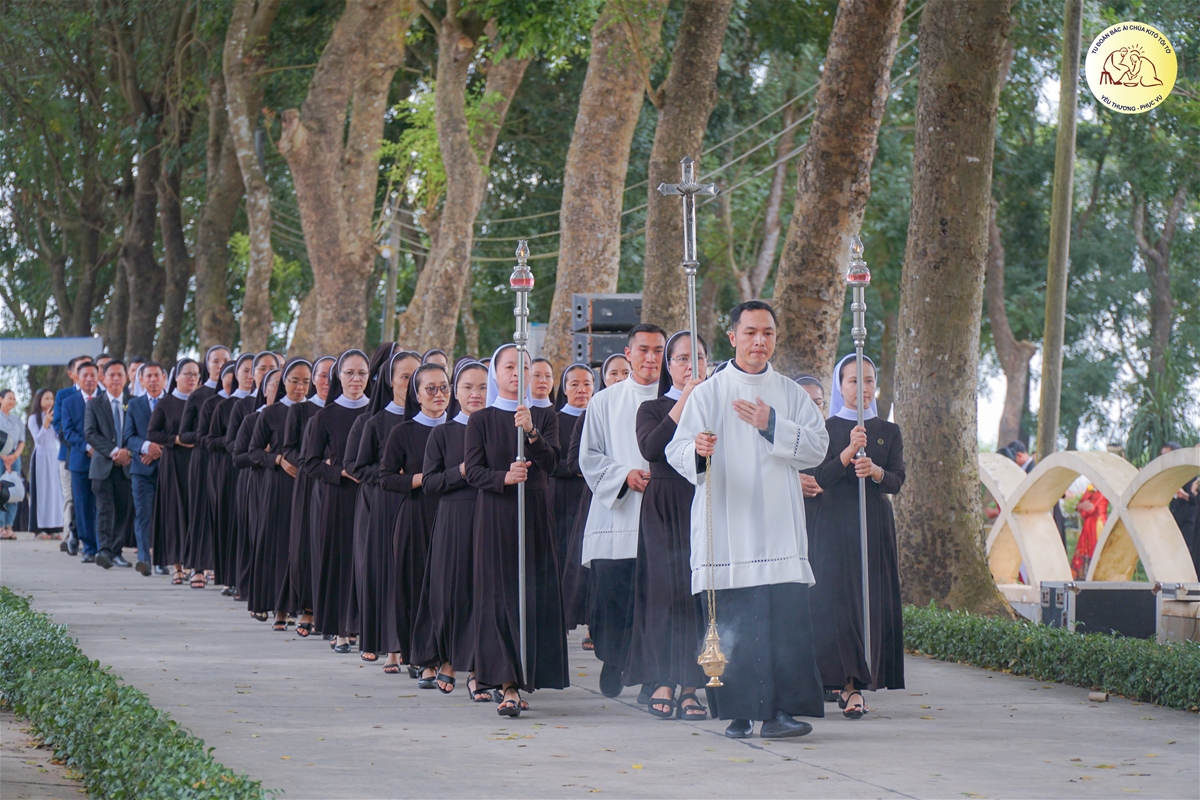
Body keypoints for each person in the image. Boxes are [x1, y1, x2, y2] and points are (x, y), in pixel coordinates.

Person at [666, 300, 829, 740]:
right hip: (728, 527)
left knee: (782, 626)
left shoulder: (792, 395)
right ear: (733, 336)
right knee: (733, 625)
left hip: (778, 528)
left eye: (768, 333)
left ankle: (780, 714)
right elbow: (675, 451)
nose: (760, 341)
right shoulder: (708, 393)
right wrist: (696, 451)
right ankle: (737, 713)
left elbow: (818, 448)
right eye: (751, 332)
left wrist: (772, 422)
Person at [465, 344, 566, 716]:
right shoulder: (481, 419)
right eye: (509, 367)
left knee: (531, 592)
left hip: (536, 512)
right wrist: (503, 477)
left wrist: (532, 432)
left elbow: (553, 462)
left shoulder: (544, 415)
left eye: (523, 367)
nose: (516, 374)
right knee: (500, 595)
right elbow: (473, 471)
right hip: (496, 513)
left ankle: (527, 675)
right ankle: (507, 685)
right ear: (496, 373)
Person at [809, 354, 907, 719]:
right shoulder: (826, 428)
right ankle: (841, 681)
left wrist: (878, 472)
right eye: (854, 381)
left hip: (874, 523)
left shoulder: (888, 431)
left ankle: (859, 686)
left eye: (868, 380)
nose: (862, 388)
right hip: (836, 522)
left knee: (869, 601)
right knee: (839, 602)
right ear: (840, 385)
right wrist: (849, 452)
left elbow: (897, 480)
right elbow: (819, 477)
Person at [626, 331, 710, 720]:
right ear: (669, 365)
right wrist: (684, 403)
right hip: (663, 504)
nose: (691, 366)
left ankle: (691, 686)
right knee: (664, 594)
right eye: (681, 359)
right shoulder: (653, 407)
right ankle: (662, 680)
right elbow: (651, 448)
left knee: (698, 596)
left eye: (699, 358)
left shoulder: (717, 406)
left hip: (705, 500)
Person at [580, 324, 666, 698]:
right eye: (643, 350)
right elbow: (589, 456)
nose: (651, 358)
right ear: (627, 354)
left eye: (659, 351)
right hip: (617, 514)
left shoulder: (679, 400)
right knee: (611, 602)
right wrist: (623, 475)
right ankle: (613, 658)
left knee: (655, 605)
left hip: (662, 516)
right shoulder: (605, 401)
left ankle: (651, 677)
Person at [409, 361, 491, 698]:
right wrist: (461, 471)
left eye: (483, 387)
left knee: (484, 593)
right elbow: (429, 483)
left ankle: (477, 669)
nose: (475, 394)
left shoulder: (499, 427)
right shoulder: (443, 433)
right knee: (449, 591)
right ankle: (445, 659)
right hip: (454, 518)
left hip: (492, 515)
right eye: (468, 387)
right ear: (455, 392)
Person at [380, 363, 450, 683]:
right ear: (416, 394)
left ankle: (449, 655)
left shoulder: (464, 427)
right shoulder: (403, 432)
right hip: (416, 515)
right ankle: (421, 657)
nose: (439, 394)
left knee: (448, 589)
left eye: (444, 387)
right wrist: (424, 479)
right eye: (430, 388)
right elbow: (385, 478)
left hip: (455, 516)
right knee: (415, 587)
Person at [352, 350, 419, 666]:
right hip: (385, 505)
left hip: (421, 505)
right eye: (404, 376)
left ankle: (416, 647)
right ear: (390, 381)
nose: (411, 383)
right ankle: (391, 647)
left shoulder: (433, 419)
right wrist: (389, 474)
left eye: (415, 376)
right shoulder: (376, 422)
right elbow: (359, 467)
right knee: (388, 575)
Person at [302, 350, 372, 653]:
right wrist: (340, 471)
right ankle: (342, 629)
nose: (356, 379)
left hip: (371, 496)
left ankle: (367, 626)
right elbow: (310, 463)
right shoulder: (324, 417)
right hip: (338, 497)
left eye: (362, 373)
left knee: (368, 562)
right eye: (349, 373)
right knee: (342, 561)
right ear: (338, 376)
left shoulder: (377, 414)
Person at [280, 356, 334, 635]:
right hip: (310, 484)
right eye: (322, 375)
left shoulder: (350, 410)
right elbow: (288, 448)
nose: (326, 381)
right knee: (308, 546)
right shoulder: (301, 410)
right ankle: (309, 608)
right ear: (314, 379)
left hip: (339, 486)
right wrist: (315, 458)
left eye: (331, 375)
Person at [248, 364, 305, 628]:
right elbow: (253, 451)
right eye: (294, 381)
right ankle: (277, 607)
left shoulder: (314, 411)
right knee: (278, 545)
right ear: (284, 382)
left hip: (306, 487)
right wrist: (278, 459)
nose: (300, 387)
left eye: (306, 381)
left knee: (299, 548)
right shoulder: (270, 413)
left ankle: (297, 606)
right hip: (278, 486)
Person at [226, 352, 281, 595]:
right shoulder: (249, 414)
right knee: (251, 532)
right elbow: (236, 452)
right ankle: (247, 584)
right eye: (274, 384)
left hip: (281, 482)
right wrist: (260, 453)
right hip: (253, 479)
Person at [181, 345, 232, 584]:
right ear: (207, 365)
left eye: (225, 360)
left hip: (229, 463)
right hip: (203, 460)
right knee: (200, 512)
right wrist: (214, 439)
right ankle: (198, 567)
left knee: (224, 513)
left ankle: (218, 564)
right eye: (215, 361)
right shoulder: (199, 395)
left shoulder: (238, 394)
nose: (220, 365)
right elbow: (186, 433)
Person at [149, 359, 200, 582]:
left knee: (195, 513)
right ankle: (178, 566)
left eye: (195, 374)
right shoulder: (166, 403)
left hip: (198, 464)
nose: (191, 378)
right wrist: (176, 439)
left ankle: (197, 565)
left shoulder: (203, 402)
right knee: (174, 514)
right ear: (175, 377)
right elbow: (153, 433)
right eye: (187, 374)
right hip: (173, 465)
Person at [84, 360, 136, 569]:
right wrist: (115, 452)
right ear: (102, 379)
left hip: (127, 466)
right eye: (111, 375)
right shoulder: (94, 404)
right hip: (102, 466)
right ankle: (103, 550)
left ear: (126, 378)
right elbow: (90, 433)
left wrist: (128, 452)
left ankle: (116, 551)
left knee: (123, 510)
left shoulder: (134, 402)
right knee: (104, 509)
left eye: (119, 375)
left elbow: (141, 432)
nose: (115, 379)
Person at [125, 361, 166, 573]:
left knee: (165, 515)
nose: (152, 380)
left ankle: (162, 560)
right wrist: (146, 447)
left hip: (168, 471)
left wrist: (159, 450)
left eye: (156, 375)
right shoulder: (134, 405)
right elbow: (128, 437)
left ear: (164, 378)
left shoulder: (173, 402)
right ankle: (144, 558)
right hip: (141, 471)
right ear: (140, 381)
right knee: (143, 514)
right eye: (148, 376)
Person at [60, 362, 101, 560]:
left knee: (103, 504)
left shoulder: (105, 399)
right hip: (79, 461)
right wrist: (88, 447)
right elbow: (67, 432)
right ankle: (89, 548)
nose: (89, 379)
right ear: (77, 377)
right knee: (83, 506)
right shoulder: (69, 402)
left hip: (104, 460)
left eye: (92, 375)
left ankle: (106, 547)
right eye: (84, 375)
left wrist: (101, 449)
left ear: (98, 376)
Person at [53, 355, 88, 554]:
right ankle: (70, 537)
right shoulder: (64, 395)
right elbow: (59, 426)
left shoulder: (100, 395)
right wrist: (79, 446)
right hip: (69, 454)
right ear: (72, 374)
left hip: (96, 456)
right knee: (71, 498)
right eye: (81, 368)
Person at [26, 388, 64, 538]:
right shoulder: (33, 418)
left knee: (54, 492)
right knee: (41, 492)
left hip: (53, 455)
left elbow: (58, 438)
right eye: (46, 398)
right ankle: (39, 528)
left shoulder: (55, 416)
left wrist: (55, 423)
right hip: (40, 457)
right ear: (39, 400)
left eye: (51, 398)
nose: (50, 401)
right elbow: (39, 440)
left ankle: (54, 527)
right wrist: (45, 423)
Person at [794, 376, 826, 524]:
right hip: (789, 516)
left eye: (817, 403)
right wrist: (793, 482)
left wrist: (824, 482)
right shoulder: (775, 435)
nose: (812, 409)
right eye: (804, 402)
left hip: (826, 518)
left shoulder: (836, 434)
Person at [0, 389, 26, 539]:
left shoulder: (17, 420)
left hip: (14, 458)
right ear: (1, 399)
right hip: (0, 457)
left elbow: (22, 441)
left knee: (13, 491)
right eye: (9, 398)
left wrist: (14, 456)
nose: (12, 401)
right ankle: (0, 525)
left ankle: (9, 525)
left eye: (14, 399)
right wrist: (4, 457)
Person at [1071, 484, 1108, 579]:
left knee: (1097, 551)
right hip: (1088, 525)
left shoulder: (1104, 488)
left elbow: (1090, 509)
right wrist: (1081, 505)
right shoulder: (1091, 487)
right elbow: (1080, 505)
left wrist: (1081, 506)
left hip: (1098, 526)